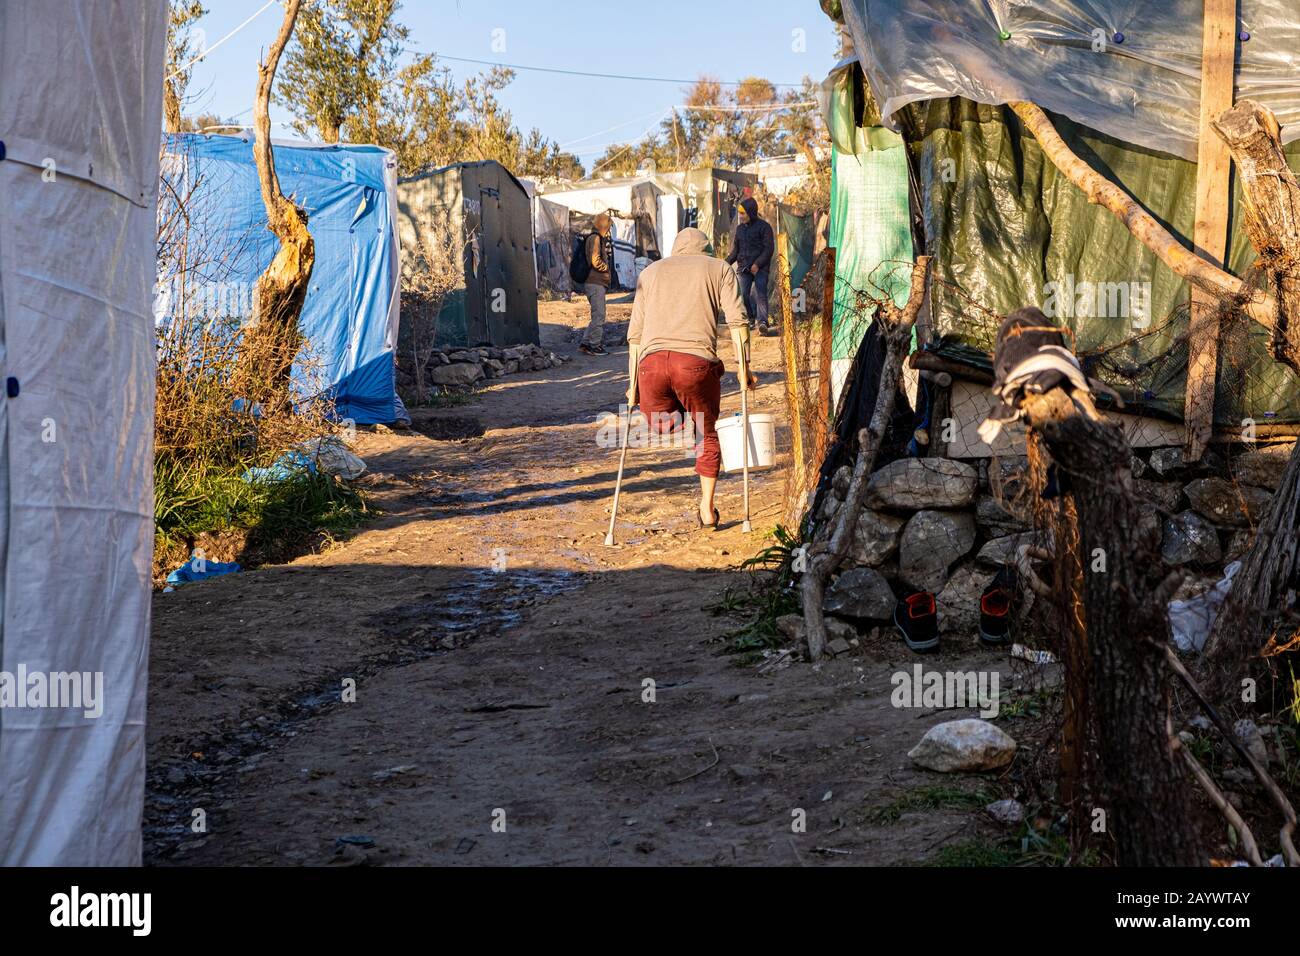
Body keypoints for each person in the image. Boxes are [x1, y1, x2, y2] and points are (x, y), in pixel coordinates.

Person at [626, 227, 754, 529]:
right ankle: (707, 510)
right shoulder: (720, 268)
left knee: (659, 421)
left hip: (651, 366)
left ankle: (685, 416)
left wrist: (632, 387)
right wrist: (743, 369)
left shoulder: (651, 272)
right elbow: (738, 322)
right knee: (707, 433)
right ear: (706, 249)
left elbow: (635, 337)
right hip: (696, 366)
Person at [726, 196, 777, 337]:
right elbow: (736, 251)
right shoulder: (740, 229)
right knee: (743, 295)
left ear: (751, 212)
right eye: (740, 213)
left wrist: (757, 264)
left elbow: (769, 249)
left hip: (760, 268)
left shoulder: (764, 227)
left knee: (760, 293)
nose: (741, 217)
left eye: (743, 214)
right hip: (744, 268)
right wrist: (724, 263)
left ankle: (763, 323)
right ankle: (750, 318)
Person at [579, 213, 616, 355]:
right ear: (603, 224)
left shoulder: (595, 238)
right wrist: (606, 268)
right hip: (595, 282)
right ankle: (595, 346)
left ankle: (586, 342)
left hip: (593, 282)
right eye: (609, 226)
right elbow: (595, 260)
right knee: (600, 315)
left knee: (596, 315)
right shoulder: (595, 239)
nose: (609, 230)